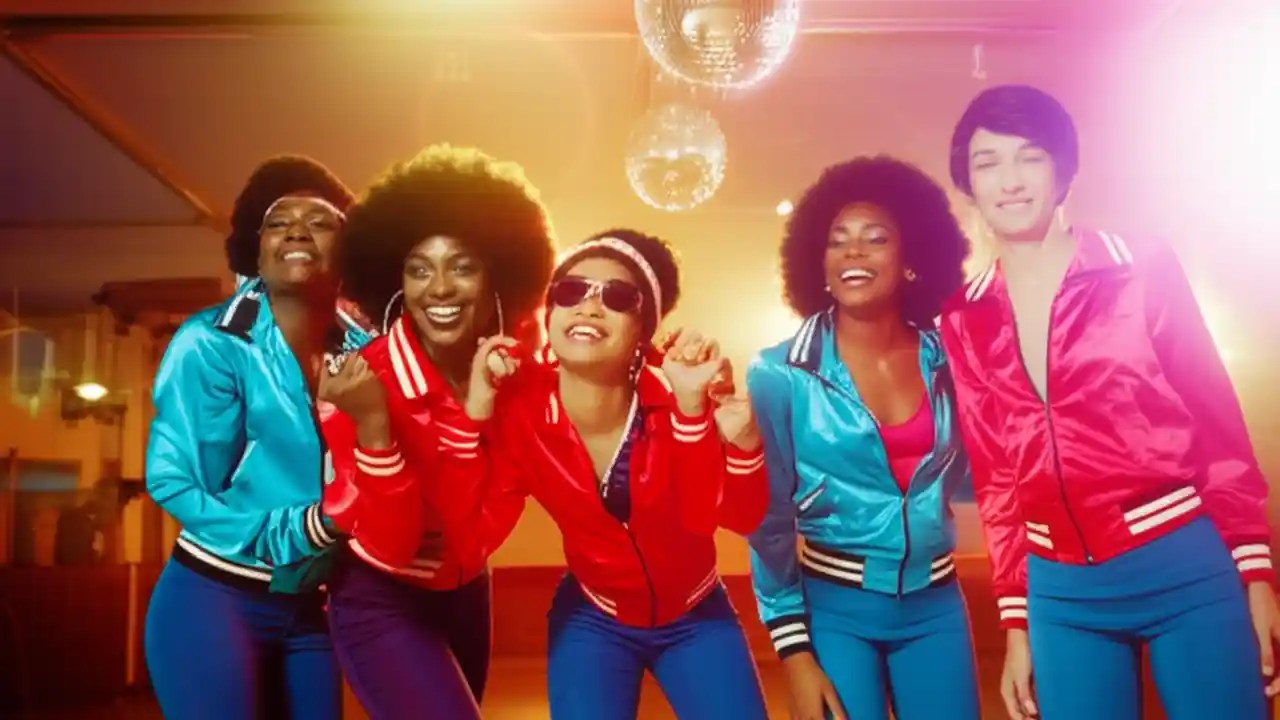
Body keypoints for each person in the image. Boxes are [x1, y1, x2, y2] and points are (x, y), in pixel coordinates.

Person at [940, 84, 1279, 720]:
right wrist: (1016, 624)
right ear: (968, 183)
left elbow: (1216, 423)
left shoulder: (1139, 266)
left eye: (1030, 157)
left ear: (1063, 170)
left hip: (1182, 563)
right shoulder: (964, 316)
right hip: (1061, 593)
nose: (1010, 180)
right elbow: (998, 480)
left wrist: (1255, 573)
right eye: (988, 163)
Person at [436, 229, 771, 720]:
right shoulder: (521, 412)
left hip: (697, 615)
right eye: (571, 291)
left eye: (617, 298)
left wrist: (727, 433)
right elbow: (471, 537)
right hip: (593, 618)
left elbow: (726, 518)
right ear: (551, 313)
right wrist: (477, 410)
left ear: (641, 331)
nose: (589, 308)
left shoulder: (673, 397)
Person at [315, 145, 556, 719]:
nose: (440, 288)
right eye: (419, 269)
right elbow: (395, 543)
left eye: (462, 266)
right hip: (379, 599)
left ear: (497, 277)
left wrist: (478, 408)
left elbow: (481, 528)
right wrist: (377, 426)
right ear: (395, 281)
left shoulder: (515, 380)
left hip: (468, 593)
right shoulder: (358, 382)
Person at [746, 156, 978, 720]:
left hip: (937, 606)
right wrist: (794, 653)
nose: (853, 251)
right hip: (833, 612)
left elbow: (982, 478)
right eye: (837, 240)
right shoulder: (780, 374)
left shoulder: (952, 361)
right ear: (817, 262)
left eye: (876, 238)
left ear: (911, 260)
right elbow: (768, 520)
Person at [144, 156, 354, 719]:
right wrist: (304, 529)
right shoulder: (211, 342)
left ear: (348, 249)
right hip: (213, 600)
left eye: (319, 221)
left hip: (311, 609)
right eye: (278, 221)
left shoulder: (367, 352)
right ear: (255, 249)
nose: (296, 230)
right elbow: (175, 482)